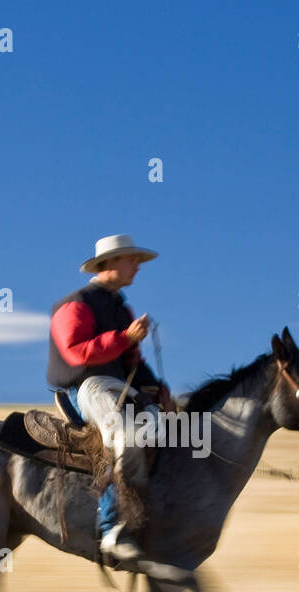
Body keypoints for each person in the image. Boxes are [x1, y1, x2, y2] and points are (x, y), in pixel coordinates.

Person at [46, 234, 175, 567]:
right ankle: (113, 529)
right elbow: (75, 352)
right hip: (89, 388)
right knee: (128, 438)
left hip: (122, 388)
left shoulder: (121, 308)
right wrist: (124, 337)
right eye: (132, 260)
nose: (137, 268)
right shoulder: (75, 303)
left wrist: (159, 390)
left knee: (179, 434)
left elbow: (132, 362)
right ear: (111, 263)